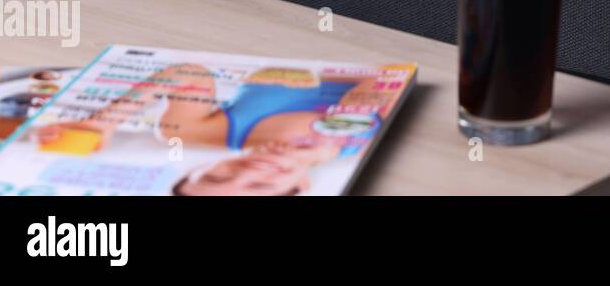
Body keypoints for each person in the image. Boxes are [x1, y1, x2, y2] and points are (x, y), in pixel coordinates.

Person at [33, 63, 386, 196]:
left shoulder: (195, 134)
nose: (248, 173)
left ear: (199, 168)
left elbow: (187, 74)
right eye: (260, 186)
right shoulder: (354, 143)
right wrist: (340, 136)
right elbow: (385, 75)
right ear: (301, 185)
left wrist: (102, 122)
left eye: (216, 179)